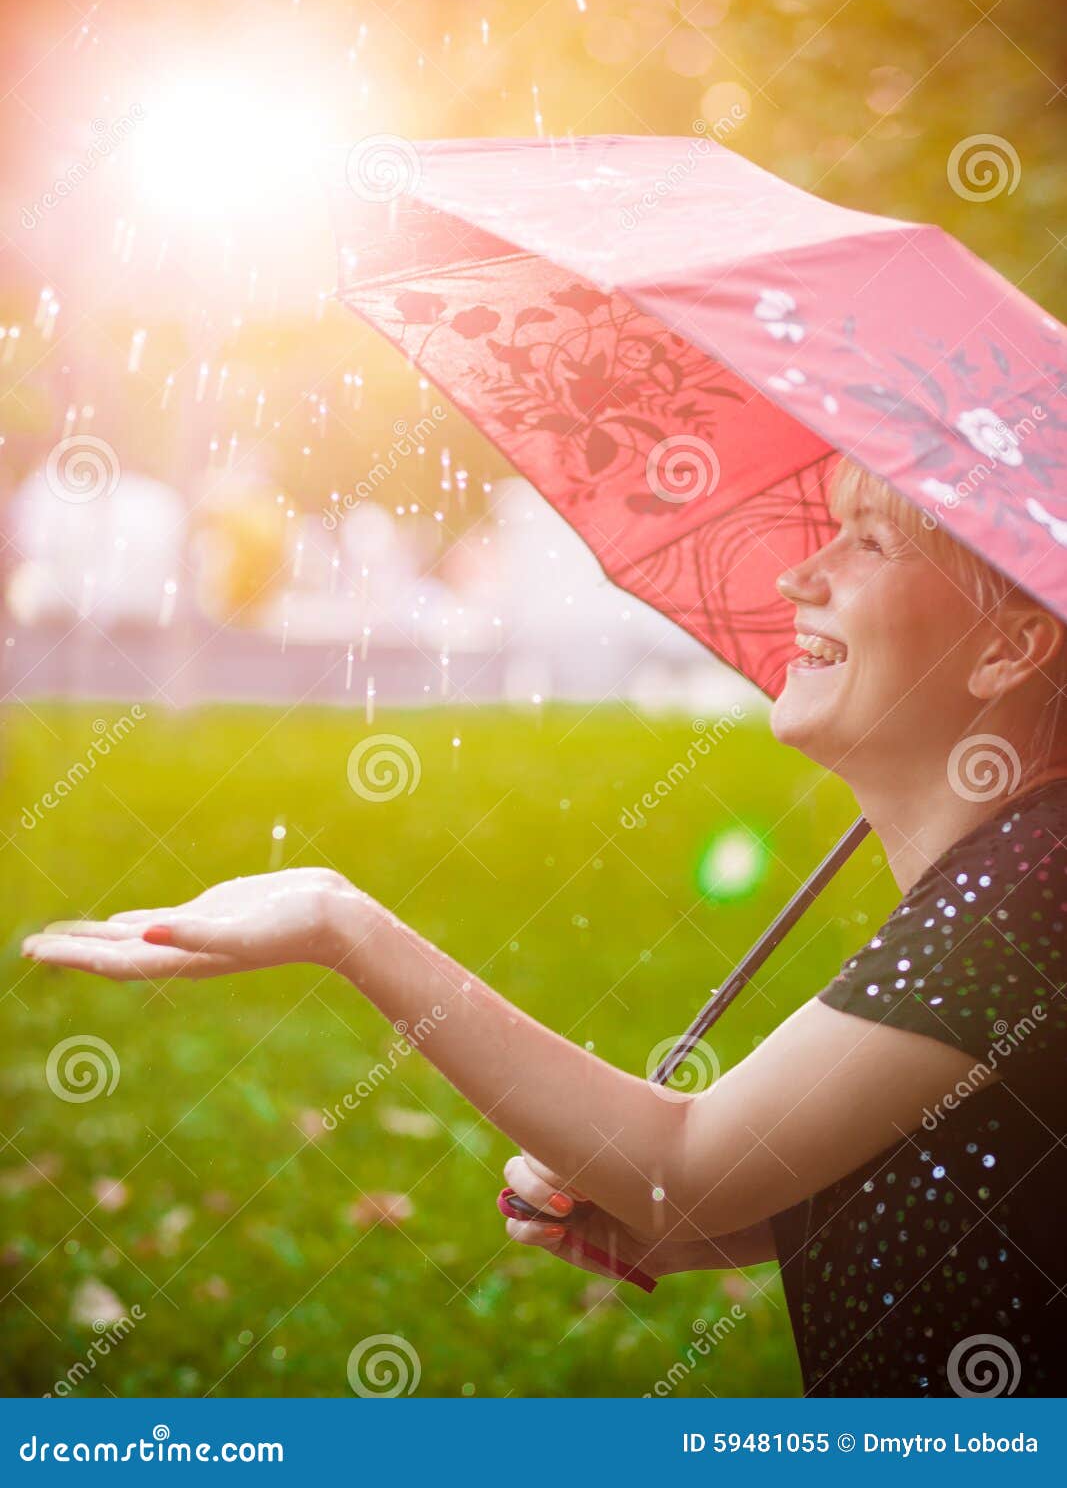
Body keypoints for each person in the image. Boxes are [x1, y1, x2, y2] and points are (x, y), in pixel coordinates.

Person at [22, 458, 1067, 1397]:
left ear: (1009, 646)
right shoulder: (1018, 870)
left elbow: (684, 1164)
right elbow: (975, 1173)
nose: (800, 576)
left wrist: (343, 925)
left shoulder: (1027, 888)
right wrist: (718, 1226)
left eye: (870, 543)